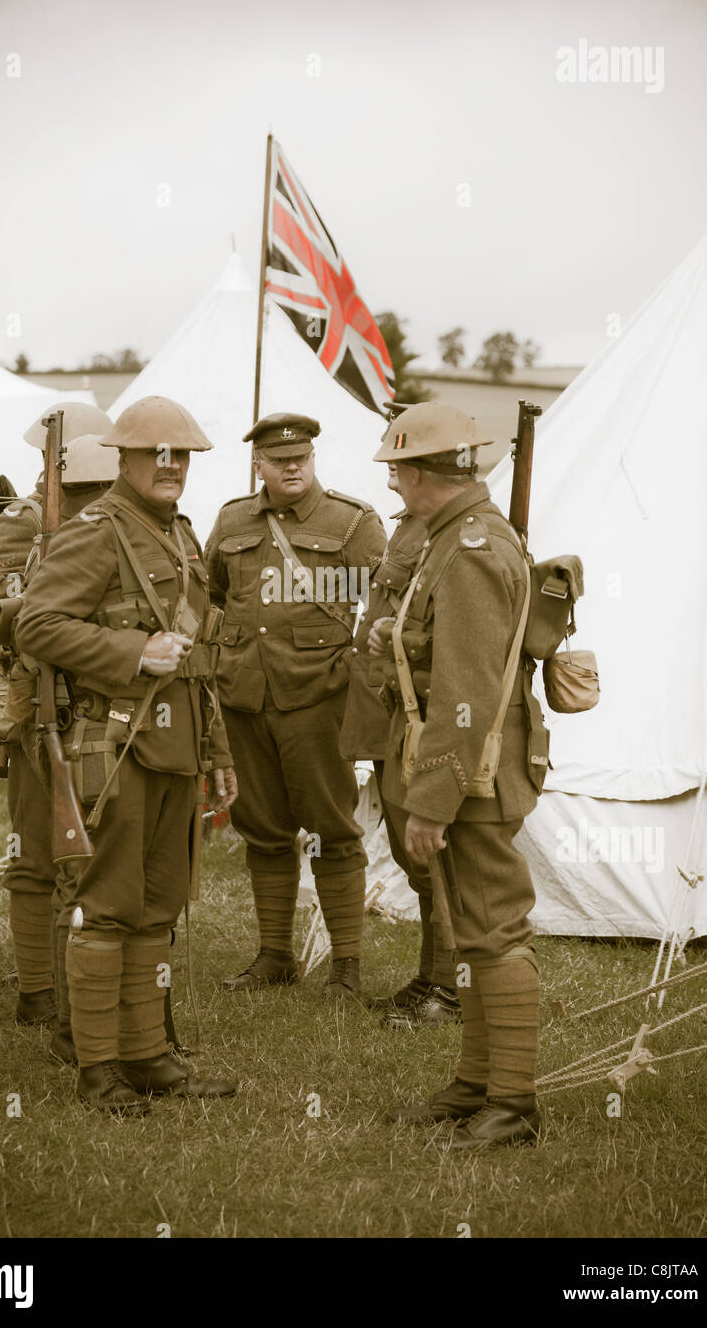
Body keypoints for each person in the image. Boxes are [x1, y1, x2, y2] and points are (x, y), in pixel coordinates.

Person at [16, 396, 238, 1114]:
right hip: (112, 748)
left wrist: (217, 749)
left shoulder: (180, 534)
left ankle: (147, 1055)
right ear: (125, 458)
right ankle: (98, 1066)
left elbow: (200, 657)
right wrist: (131, 651)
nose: (171, 466)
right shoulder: (96, 531)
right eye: (157, 454)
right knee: (106, 907)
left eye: (183, 454)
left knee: (158, 908)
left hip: (175, 747)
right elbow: (38, 625)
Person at [369, 401, 547, 1149]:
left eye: (397, 472)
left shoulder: (469, 548)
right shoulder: (452, 536)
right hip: (468, 766)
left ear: (417, 472)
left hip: (473, 771)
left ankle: (513, 1105)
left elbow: (468, 692)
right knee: (475, 931)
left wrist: (432, 801)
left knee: (494, 930)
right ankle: (478, 1085)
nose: (394, 487)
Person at [204, 413, 386, 998]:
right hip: (244, 696)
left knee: (333, 828)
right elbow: (209, 599)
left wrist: (359, 674)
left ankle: (346, 968)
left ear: (312, 459)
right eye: (279, 460)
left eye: (300, 458)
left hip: (318, 699)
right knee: (262, 829)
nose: (291, 467)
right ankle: (275, 956)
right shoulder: (233, 519)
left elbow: (388, 604)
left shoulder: (353, 522)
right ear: (257, 464)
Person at [0, 404, 114, 1041]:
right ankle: (37, 992)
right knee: (36, 849)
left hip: (112, 701)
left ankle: (91, 996)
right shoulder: (25, 519)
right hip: (41, 701)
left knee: (102, 855)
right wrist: (42, 595)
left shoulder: (125, 517)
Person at [339, 463, 461, 1028]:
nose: (388, 482)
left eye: (397, 469)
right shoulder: (412, 526)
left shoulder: (457, 535)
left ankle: (452, 992)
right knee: (420, 867)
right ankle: (430, 979)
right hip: (393, 716)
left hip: (428, 719)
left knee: (444, 864)